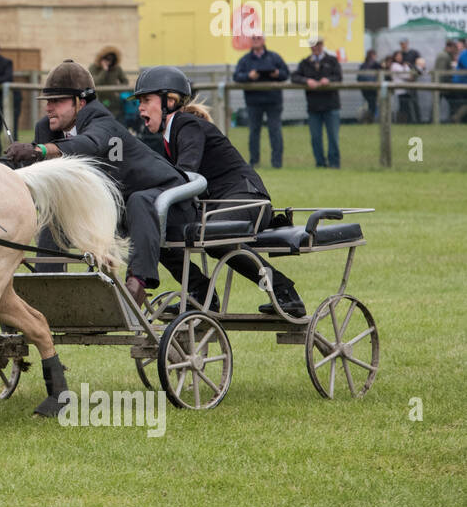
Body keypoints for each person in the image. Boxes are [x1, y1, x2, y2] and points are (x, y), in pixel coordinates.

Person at [6, 60, 195, 310]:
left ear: (80, 103)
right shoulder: (47, 129)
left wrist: (39, 150)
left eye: (57, 101)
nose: (49, 108)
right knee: (56, 213)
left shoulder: (103, 123)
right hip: (116, 211)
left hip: (168, 201)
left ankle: (136, 284)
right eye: (47, 102)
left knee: (138, 200)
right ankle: (47, 292)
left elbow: (89, 145)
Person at [134, 66, 306, 317]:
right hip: (218, 206)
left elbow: (186, 174)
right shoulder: (171, 134)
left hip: (248, 199)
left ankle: (283, 290)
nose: (140, 108)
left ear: (169, 101)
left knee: (214, 238)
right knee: (155, 234)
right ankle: (200, 292)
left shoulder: (186, 124)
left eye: (146, 100)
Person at [232, 32, 289, 168]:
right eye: (254, 39)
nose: (256, 41)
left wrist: (277, 74)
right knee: (253, 132)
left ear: (264, 40)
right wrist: (248, 76)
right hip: (254, 102)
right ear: (251, 42)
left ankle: (277, 163)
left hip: (273, 101)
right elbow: (236, 76)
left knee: (275, 131)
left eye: (258, 38)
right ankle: (254, 161)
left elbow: (286, 73)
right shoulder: (245, 60)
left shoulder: (274, 57)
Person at [291, 37, 343, 169]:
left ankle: (334, 163)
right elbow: (294, 77)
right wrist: (306, 81)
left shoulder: (332, 61)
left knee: (333, 137)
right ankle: (320, 163)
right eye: (313, 45)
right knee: (315, 138)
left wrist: (329, 80)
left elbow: (339, 76)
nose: (315, 48)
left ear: (322, 45)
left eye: (318, 45)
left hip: (331, 105)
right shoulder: (305, 63)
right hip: (313, 106)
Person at [89, 51, 128, 121]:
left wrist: (118, 91)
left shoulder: (116, 68)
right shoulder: (93, 68)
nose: (109, 62)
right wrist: (104, 70)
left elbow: (125, 82)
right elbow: (95, 82)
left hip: (114, 102)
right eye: (107, 59)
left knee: (115, 120)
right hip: (99, 100)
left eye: (111, 59)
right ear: (101, 58)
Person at [388, 50, 420, 124]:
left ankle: (407, 121)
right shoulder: (395, 65)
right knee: (403, 107)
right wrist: (409, 74)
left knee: (406, 107)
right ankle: (402, 122)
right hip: (400, 89)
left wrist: (407, 70)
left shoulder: (402, 65)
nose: (400, 57)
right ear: (395, 57)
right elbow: (406, 75)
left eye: (400, 56)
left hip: (405, 89)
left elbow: (409, 74)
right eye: (398, 56)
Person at [356, 49, 381, 123]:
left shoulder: (366, 65)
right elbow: (359, 77)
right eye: (373, 55)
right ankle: (370, 119)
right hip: (369, 89)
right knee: (372, 104)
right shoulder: (368, 65)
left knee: (372, 104)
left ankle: (371, 119)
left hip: (370, 89)